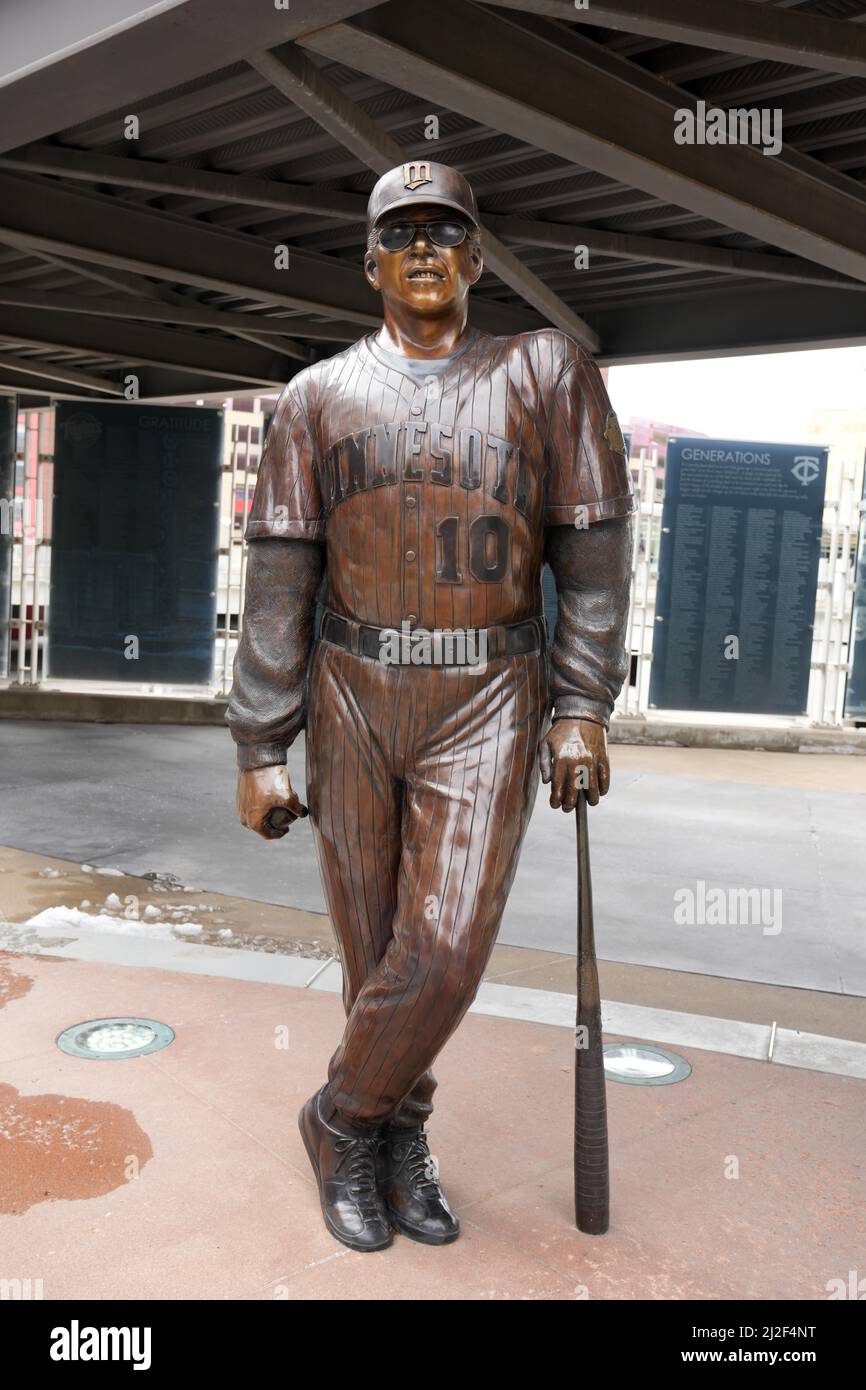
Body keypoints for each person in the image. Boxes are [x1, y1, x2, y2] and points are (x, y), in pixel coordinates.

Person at [226, 161, 634, 1252]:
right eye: (397, 232)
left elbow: (591, 563)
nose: (419, 248)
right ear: (368, 262)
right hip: (351, 688)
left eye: (441, 231)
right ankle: (394, 1142)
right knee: (374, 957)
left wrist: (580, 706)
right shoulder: (315, 396)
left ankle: (337, 1118)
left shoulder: (543, 371)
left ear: (475, 257)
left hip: (487, 689)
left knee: (444, 949)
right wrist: (260, 742)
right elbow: (279, 579)